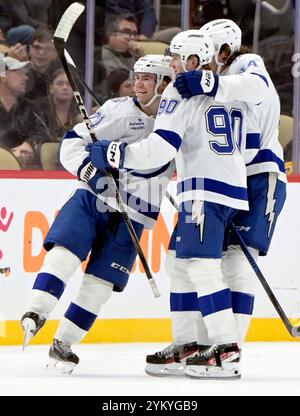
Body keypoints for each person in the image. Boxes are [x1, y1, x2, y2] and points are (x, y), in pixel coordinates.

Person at [88, 30, 257, 379]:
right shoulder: (225, 85)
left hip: (204, 190)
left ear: (194, 61)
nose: (171, 64)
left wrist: (115, 152)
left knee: (199, 264)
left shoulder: (178, 91)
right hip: (226, 185)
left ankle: (225, 348)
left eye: (177, 57)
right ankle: (189, 343)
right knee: (179, 263)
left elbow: (158, 151)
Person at [21, 55, 175, 374]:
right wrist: (89, 170)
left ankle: (63, 344)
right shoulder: (118, 110)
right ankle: (36, 312)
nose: (138, 83)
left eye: (147, 78)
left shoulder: (179, 119)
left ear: (165, 82)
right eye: (137, 76)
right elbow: (72, 143)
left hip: (138, 210)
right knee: (65, 251)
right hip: (94, 197)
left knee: (101, 283)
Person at [173, 19, 287, 347]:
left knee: (238, 259)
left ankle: (229, 347)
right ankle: (206, 343)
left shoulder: (246, 64)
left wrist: (208, 80)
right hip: (231, 178)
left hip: (260, 175)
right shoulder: (220, 78)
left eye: (212, 50)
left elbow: (257, 87)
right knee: (213, 261)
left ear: (225, 48)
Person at [0, 56, 50, 149]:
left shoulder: (30, 107)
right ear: (3, 77)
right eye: (19, 73)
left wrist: (28, 145)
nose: (26, 77)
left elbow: (42, 136)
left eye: (25, 73)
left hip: (25, 160)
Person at [38, 68, 82, 142]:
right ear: (51, 88)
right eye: (60, 84)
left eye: (69, 84)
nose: (65, 87)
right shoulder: (40, 110)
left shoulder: (81, 110)